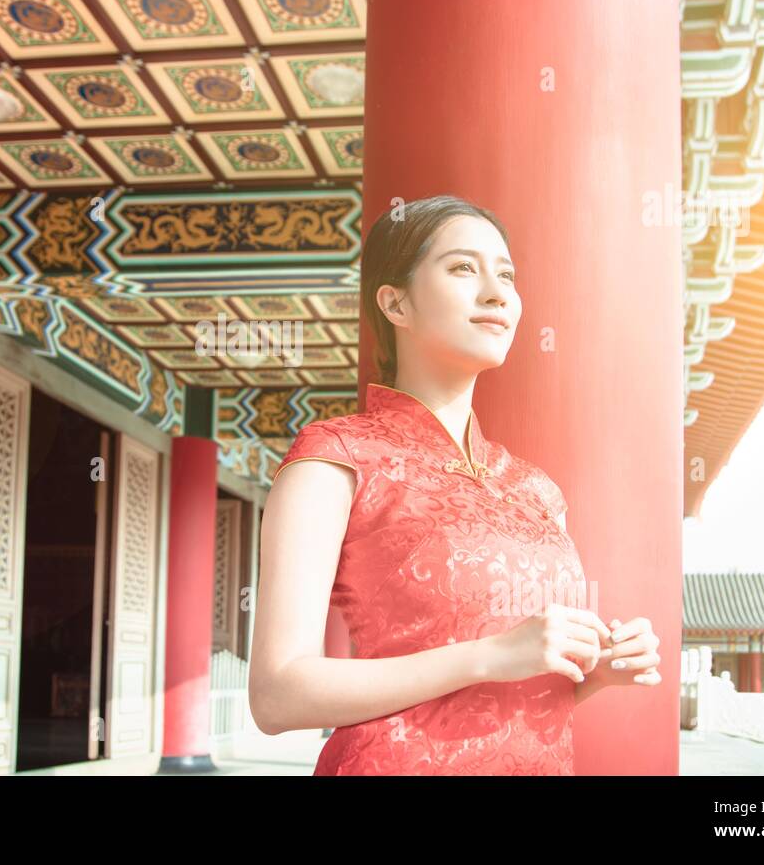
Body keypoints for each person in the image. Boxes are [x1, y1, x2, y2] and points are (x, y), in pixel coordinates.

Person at [247, 195, 662, 775]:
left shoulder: (536, 491)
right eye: (464, 268)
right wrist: (490, 656)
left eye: (507, 274)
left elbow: (514, 691)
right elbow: (276, 696)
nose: (497, 292)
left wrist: (593, 672)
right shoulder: (335, 459)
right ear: (395, 303)